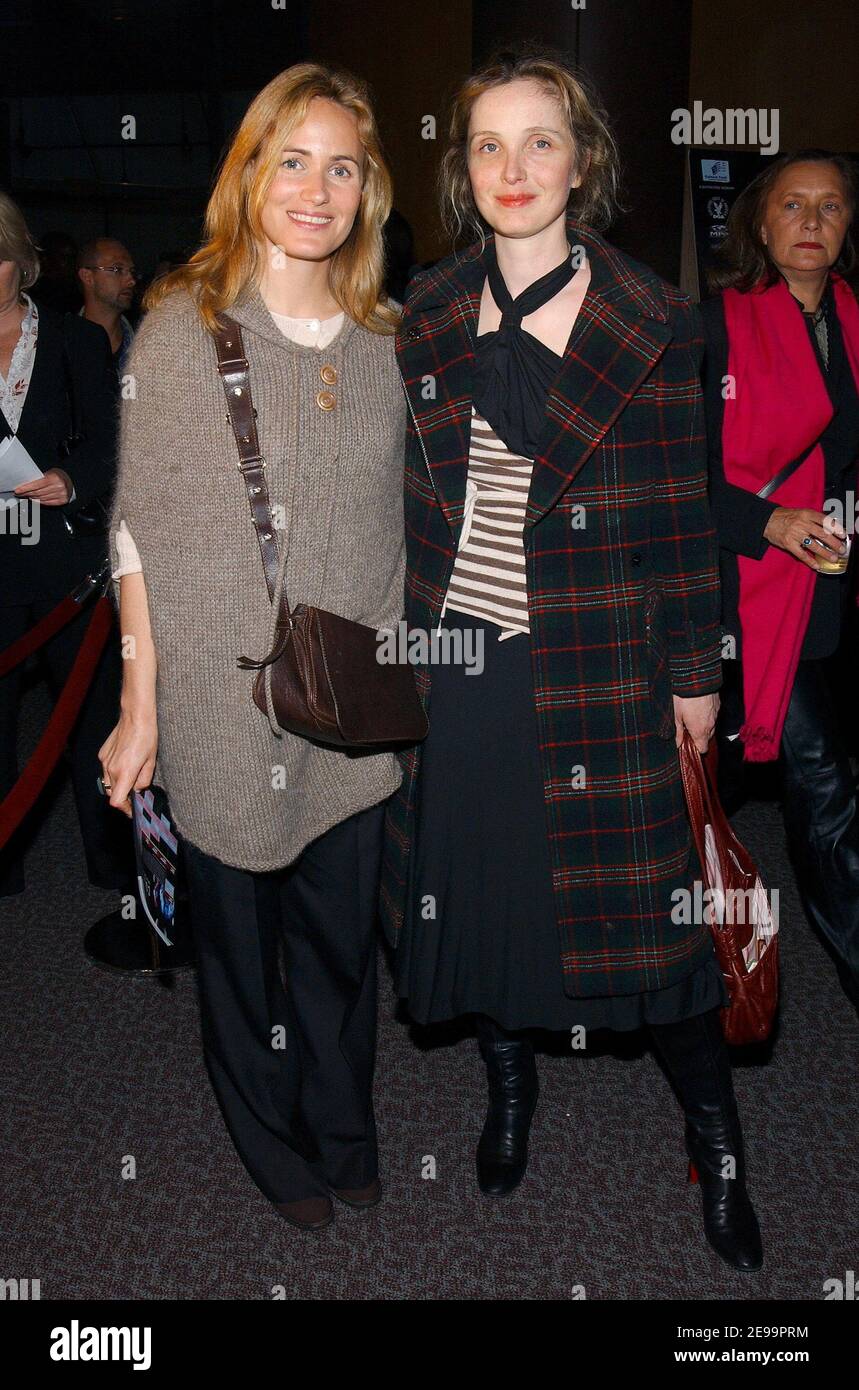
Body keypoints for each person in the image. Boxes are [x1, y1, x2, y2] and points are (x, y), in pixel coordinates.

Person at [380, 51, 763, 1272]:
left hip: (601, 662)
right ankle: (508, 1093)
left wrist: (696, 680)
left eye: (539, 141)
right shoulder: (428, 311)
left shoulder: (652, 319)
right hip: (466, 674)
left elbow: (679, 516)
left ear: (582, 163)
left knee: (657, 941)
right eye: (487, 145)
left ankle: (719, 1138)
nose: (512, 168)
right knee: (485, 911)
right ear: (462, 168)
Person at [99, 64, 408, 1233]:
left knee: (339, 947)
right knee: (238, 954)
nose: (316, 189)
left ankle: (345, 1125)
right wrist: (142, 705)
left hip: (351, 702)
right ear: (250, 171)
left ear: (367, 191)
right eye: (293, 159)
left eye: (342, 166)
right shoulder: (185, 326)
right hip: (226, 698)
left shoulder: (388, 337)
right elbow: (136, 522)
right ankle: (273, 1142)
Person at [701, 150, 859, 1015]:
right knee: (823, 785)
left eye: (829, 206)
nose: (810, 220)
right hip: (742, 590)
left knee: (728, 780)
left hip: (825, 587)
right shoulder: (717, 325)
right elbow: (676, 468)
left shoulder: (853, 320)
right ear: (759, 224)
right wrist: (767, 521)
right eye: (791, 204)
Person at [0, 191, 132, 901]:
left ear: (19, 263)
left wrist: (71, 479)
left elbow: (115, 444)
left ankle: (111, 863)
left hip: (63, 563)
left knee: (89, 716)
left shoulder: (75, 340)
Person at [77, 238, 137, 378]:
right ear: (87, 276)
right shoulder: (63, 347)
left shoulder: (144, 343)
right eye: (117, 269)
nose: (131, 280)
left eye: (132, 271)